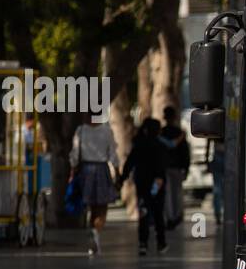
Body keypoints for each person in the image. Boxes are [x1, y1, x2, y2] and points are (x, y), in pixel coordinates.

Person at [69, 116, 120, 256]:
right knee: (102, 207)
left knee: (91, 206)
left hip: (86, 170)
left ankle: (93, 235)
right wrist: (117, 172)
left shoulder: (81, 130)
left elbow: (75, 154)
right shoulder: (106, 131)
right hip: (101, 169)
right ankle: (95, 232)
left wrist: (72, 172)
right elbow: (113, 155)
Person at [120, 117, 169, 255]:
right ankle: (161, 242)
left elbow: (129, 163)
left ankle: (143, 243)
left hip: (142, 184)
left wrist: (122, 178)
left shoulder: (138, 145)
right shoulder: (161, 146)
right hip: (158, 184)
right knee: (159, 213)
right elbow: (164, 165)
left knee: (143, 213)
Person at [159, 105, 189, 230]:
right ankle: (176, 216)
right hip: (177, 168)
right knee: (177, 193)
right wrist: (186, 168)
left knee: (168, 194)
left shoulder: (161, 133)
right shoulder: (179, 133)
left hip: (165, 168)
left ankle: (171, 217)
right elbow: (185, 152)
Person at [208, 140, 225, 224]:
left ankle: (218, 214)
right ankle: (220, 214)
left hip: (218, 154)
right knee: (221, 189)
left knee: (218, 189)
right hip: (225, 153)